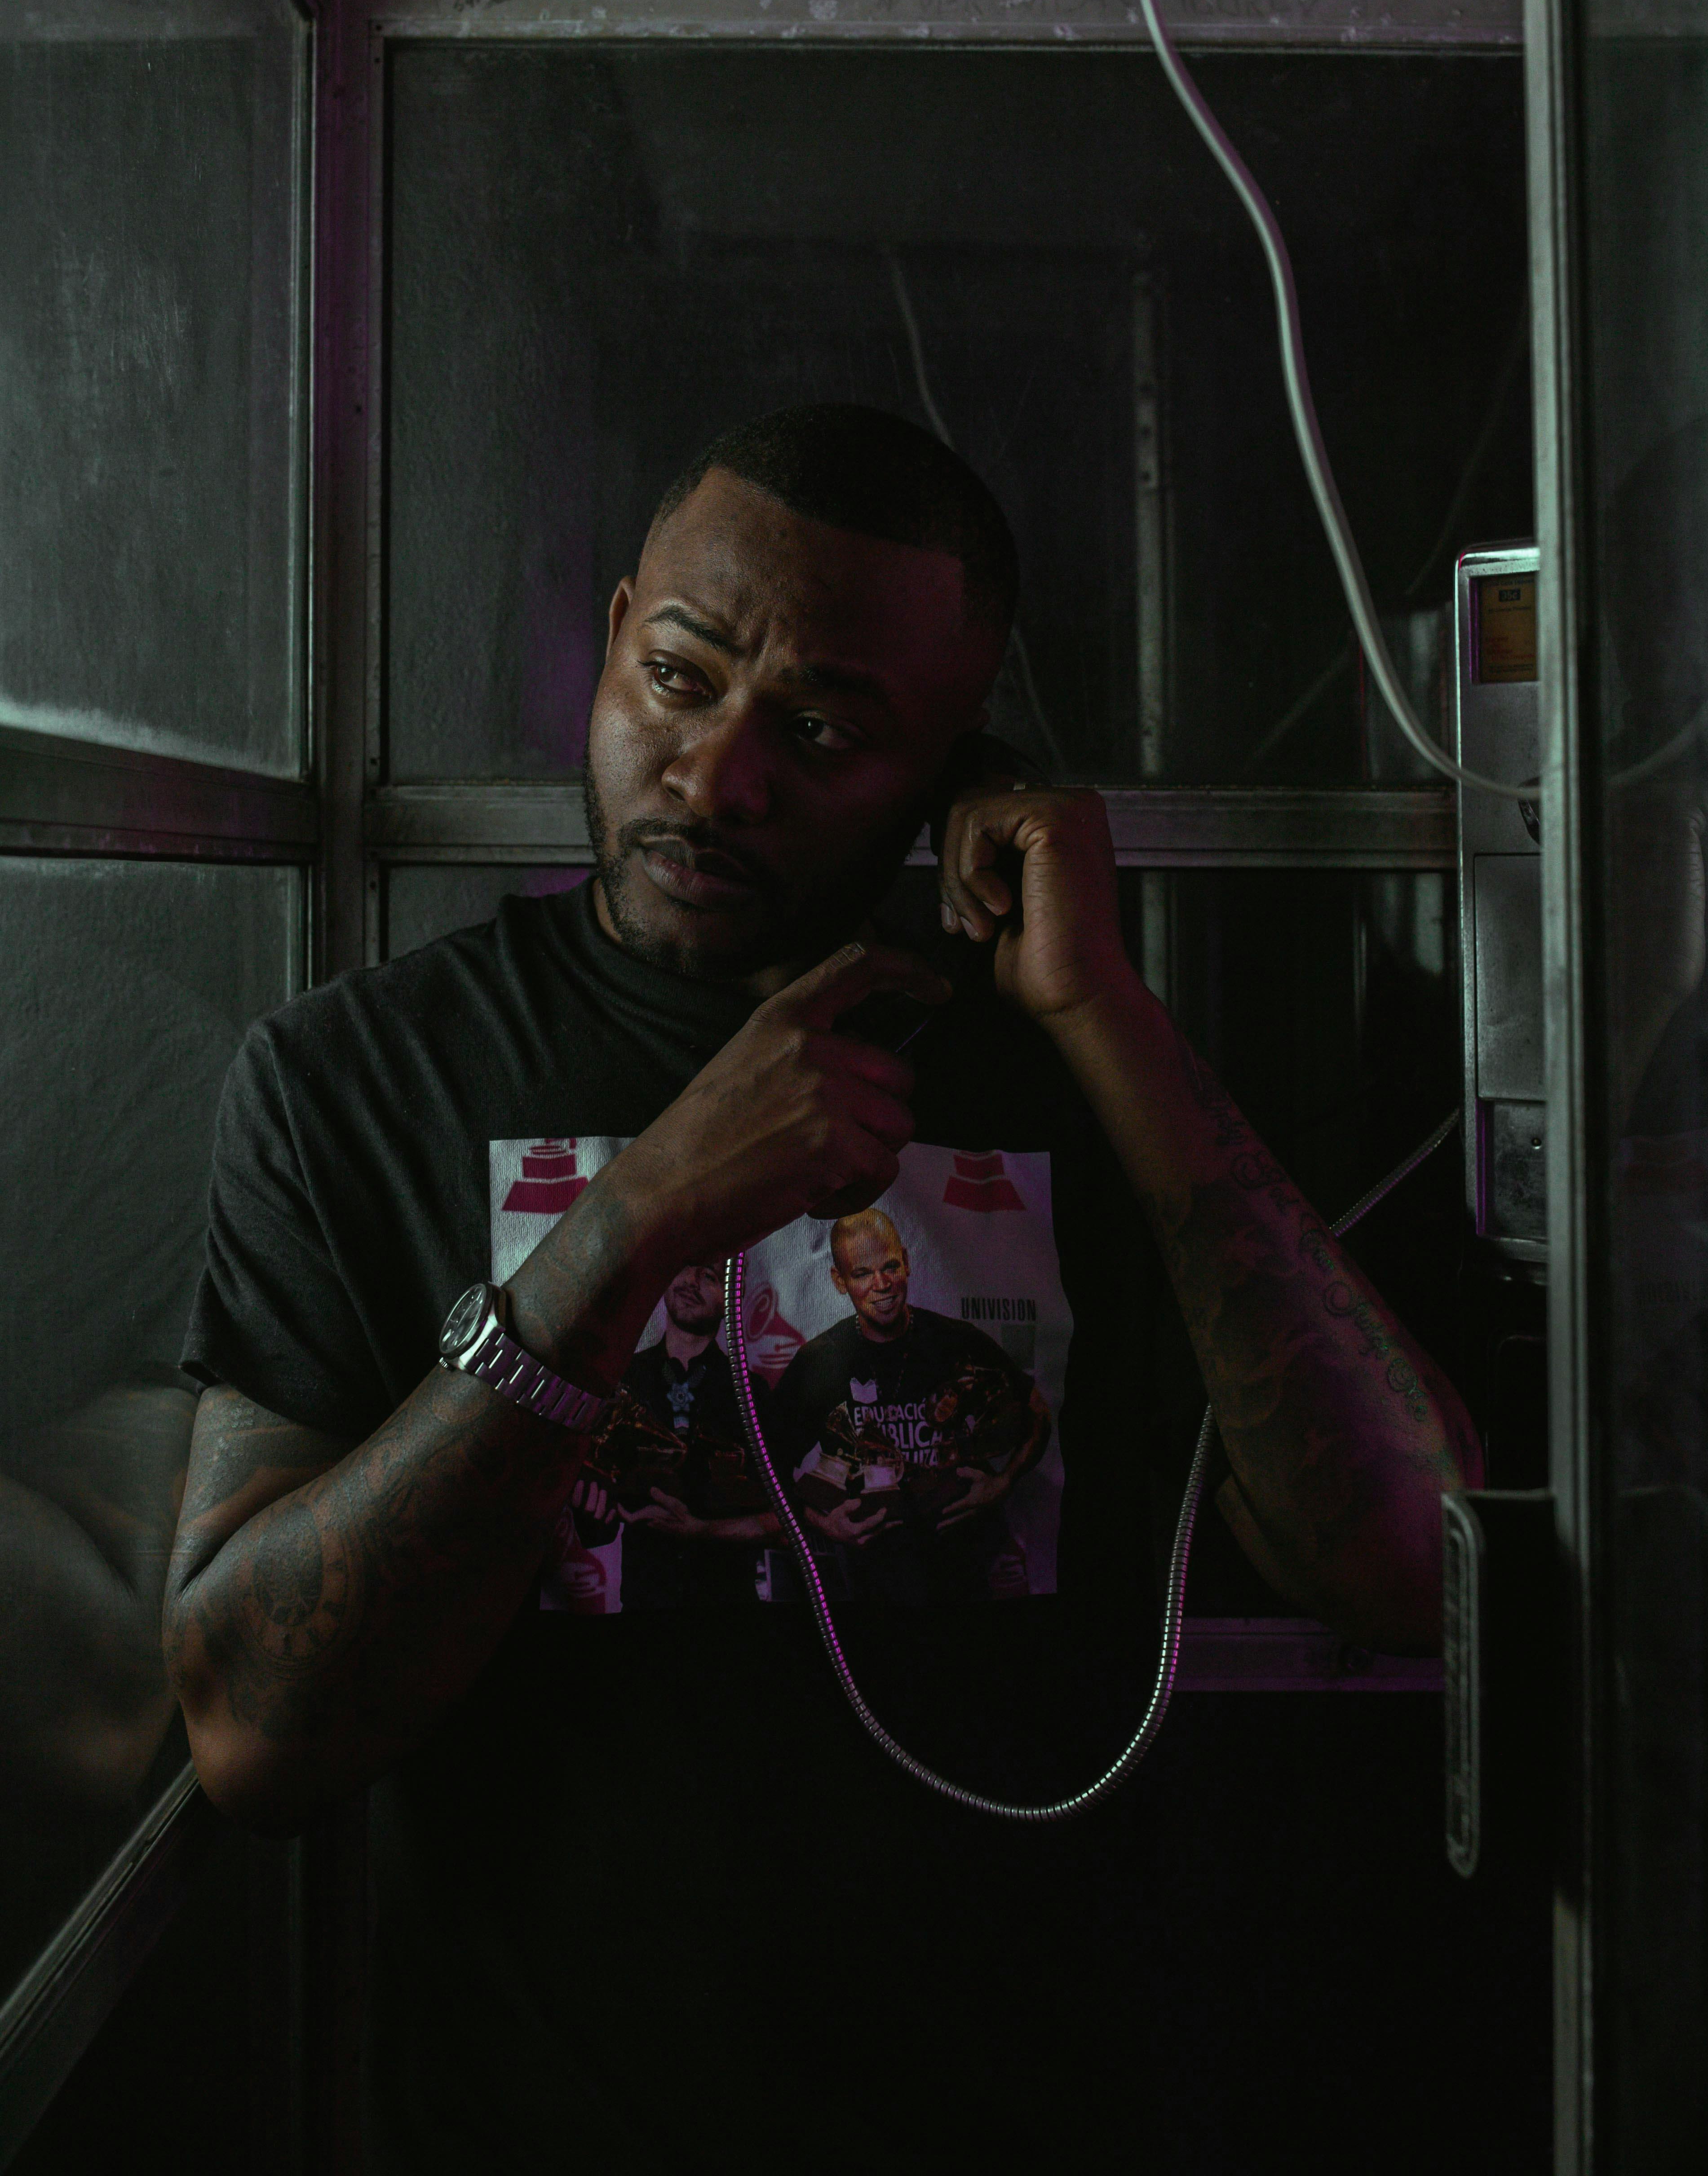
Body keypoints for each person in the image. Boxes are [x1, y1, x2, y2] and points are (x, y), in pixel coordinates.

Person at [162, 403, 1480, 2175]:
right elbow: (253, 1731)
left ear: (954, 772)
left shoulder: (1066, 1090)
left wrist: (1105, 1022)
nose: (717, 778)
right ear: (620, 627)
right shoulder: (351, 1083)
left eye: (830, 730)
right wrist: (628, 1224)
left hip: (1039, 2111)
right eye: (682, 677)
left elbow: (1413, 1562)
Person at [770, 1208, 1050, 1604]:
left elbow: (1037, 1410)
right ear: (839, 1281)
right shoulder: (819, 1362)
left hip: (968, 1579)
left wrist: (1003, 1483)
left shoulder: (956, 1341)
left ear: (907, 1261)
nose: (882, 1285)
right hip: (870, 1589)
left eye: (889, 1267)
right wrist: (819, 1521)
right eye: (863, 1274)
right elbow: (767, 1464)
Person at [593, 1259, 781, 1610]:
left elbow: (783, 1520)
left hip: (729, 1612)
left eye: (709, 1276)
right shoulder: (624, 1379)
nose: (692, 1281)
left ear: (731, 1298)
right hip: (643, 1609)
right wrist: (597, 1506)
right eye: (683, 1266)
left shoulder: (750, 1393)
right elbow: (595, 1529)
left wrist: (703, 1531)